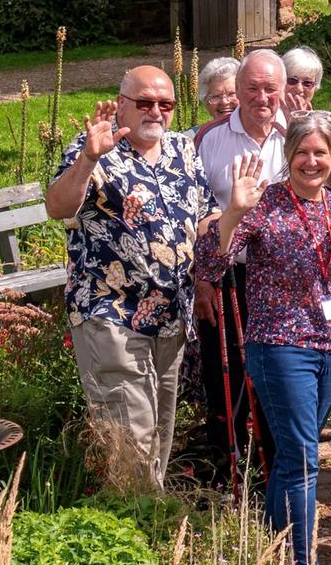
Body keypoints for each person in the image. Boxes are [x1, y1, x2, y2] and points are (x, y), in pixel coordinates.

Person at [204, 111, 331, 565]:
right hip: (279, 346)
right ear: (289, 154)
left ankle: (272, 554)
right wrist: (232, 211)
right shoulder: (264, 203)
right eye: (303, 152)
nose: (312, 161)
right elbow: (211, 264)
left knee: (294, 459)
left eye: (322, 152)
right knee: (303, 458)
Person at [48, 68, 214, 491]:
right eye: (144, 102)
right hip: (112, 314)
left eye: (166, 104)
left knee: (158, 430)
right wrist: (88, 158)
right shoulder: (97, 150)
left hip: (171, 317)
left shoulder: (184, 151)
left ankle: (144, 521)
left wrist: (239, 216)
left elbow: (204, 216)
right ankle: (139, 527)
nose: (156, 111)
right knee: (131, 434)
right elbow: (58, 206)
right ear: (121, 103)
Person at [192, 49, 291, 487]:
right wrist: (203, 279)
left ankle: (277, 468)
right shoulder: (207, 140)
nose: (261, 97)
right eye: (251, 88)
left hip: (283, 280)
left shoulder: (297, 134)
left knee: (277, 376)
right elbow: (190, 216)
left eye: (270, 88)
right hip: (227, 275)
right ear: (239, 90)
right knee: (226, 374)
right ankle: (230, 470)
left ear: (284, 91)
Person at [197, 57, 240, 127]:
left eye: (231, 94)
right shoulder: (196, 136)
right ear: (206, 102)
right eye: (216, 96)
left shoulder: (258, 135)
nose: (224, 101)